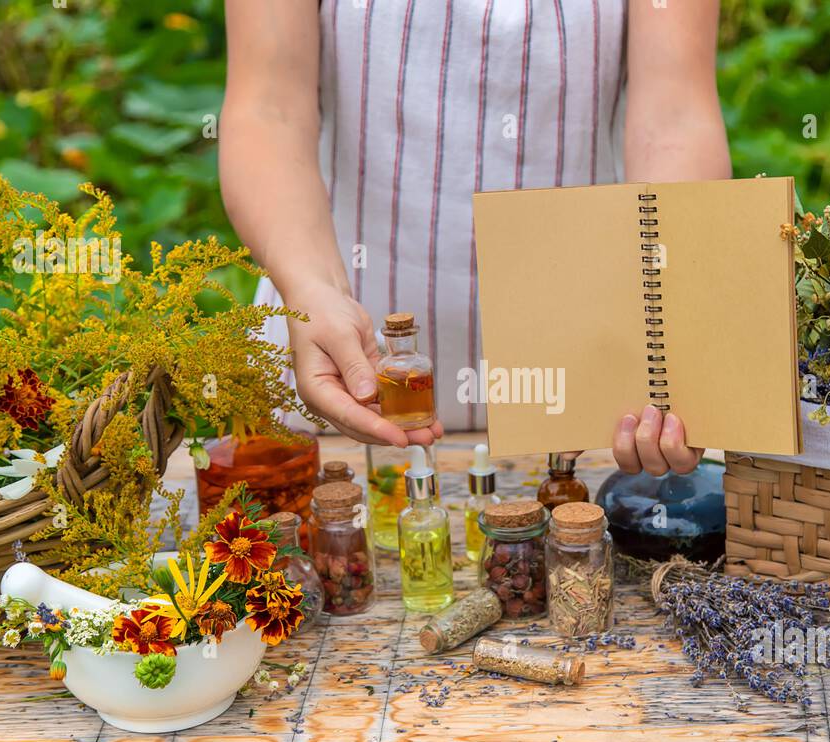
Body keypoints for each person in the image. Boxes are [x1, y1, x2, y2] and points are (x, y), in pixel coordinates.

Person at [220, 0, 731, 475]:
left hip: (589, 413)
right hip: (338, 378)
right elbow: (269, 110)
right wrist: (313, 293)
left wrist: (669, 334)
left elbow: (674, 117)